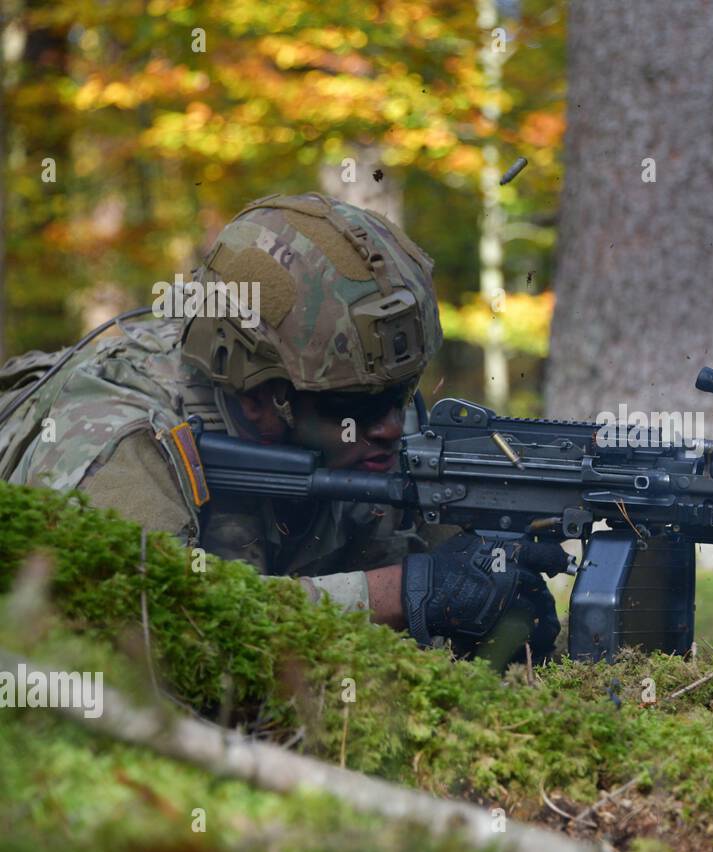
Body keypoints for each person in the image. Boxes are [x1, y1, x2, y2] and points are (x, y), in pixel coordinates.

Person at [0, 192, 565, 663]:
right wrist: (402, 593)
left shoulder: (360, 421)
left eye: (403, 394)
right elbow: (155, 644)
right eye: (361, 409)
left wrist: (494, 598)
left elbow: (437, 572)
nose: (392, 428)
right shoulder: (118, 440)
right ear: (263, 399)